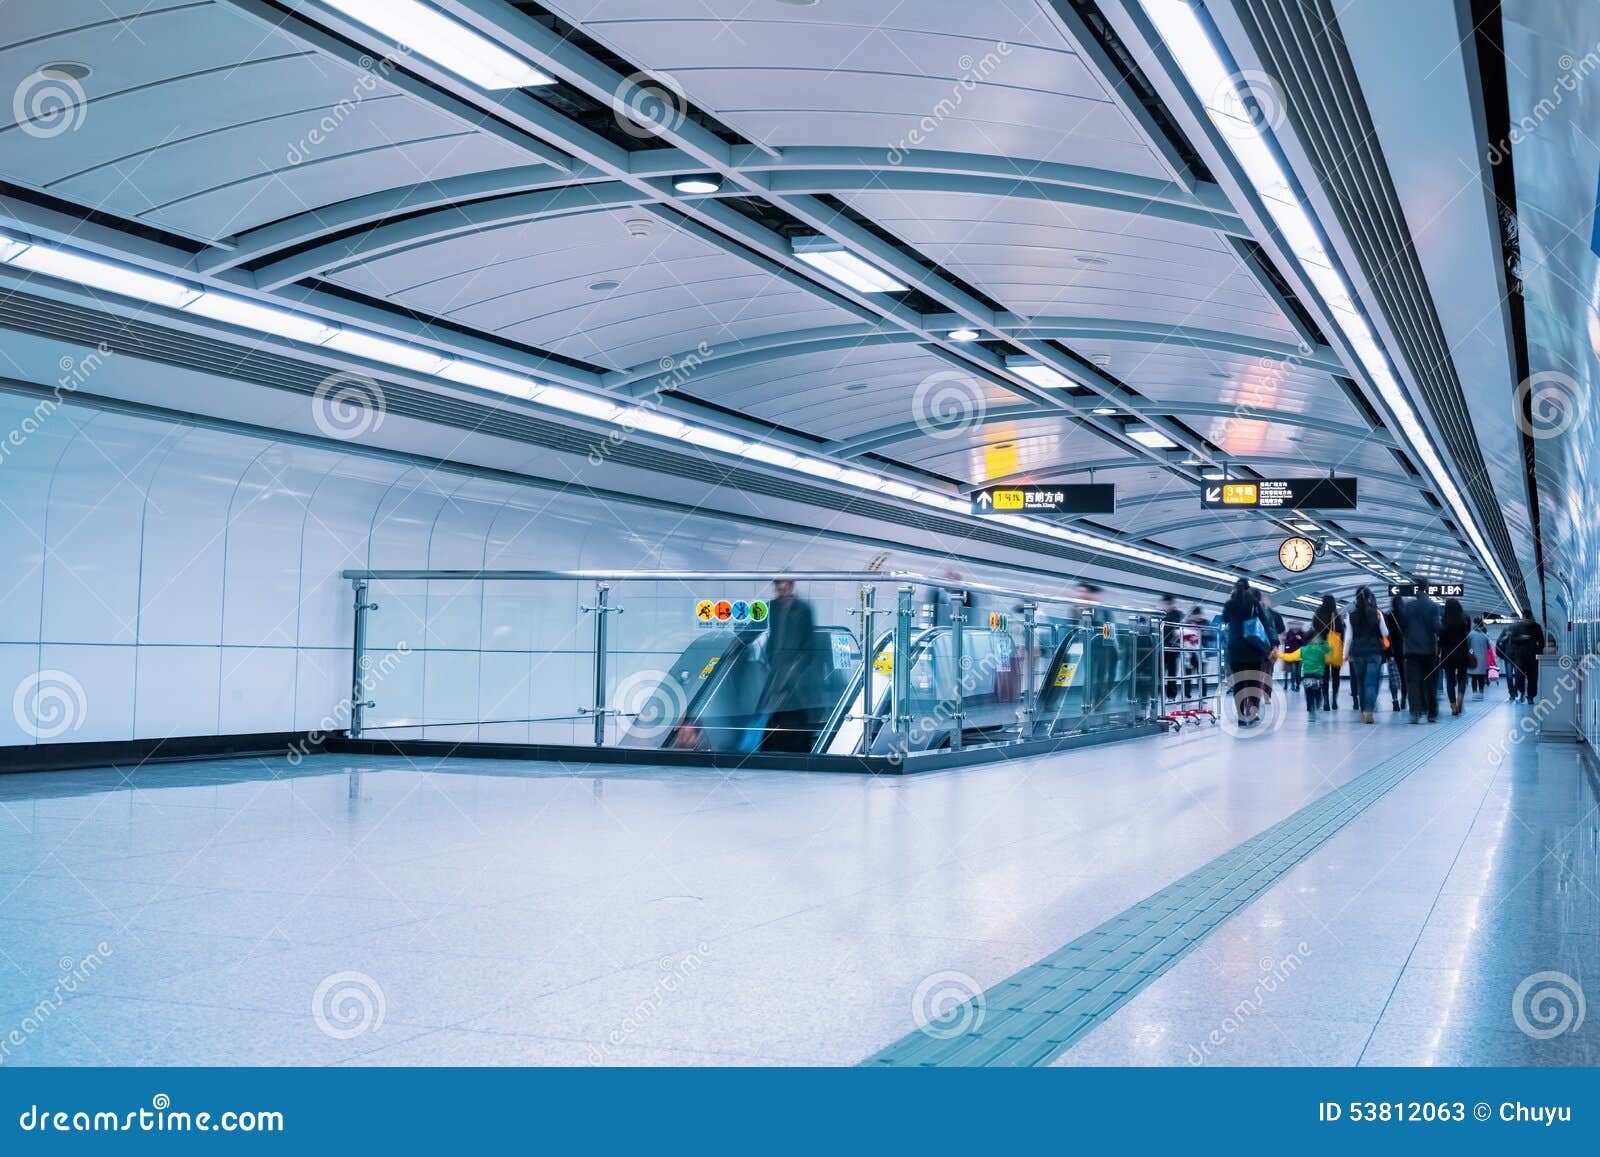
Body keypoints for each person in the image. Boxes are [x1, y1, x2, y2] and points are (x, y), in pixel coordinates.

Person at [759, 578, 826, 751]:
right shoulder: (772, 607)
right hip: (777, 669)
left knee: (793, 712)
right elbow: (764, 631)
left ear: (791, 586)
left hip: (796, 673)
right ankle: (774, 748)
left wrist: (794, 669)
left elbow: (808, 646)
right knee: (777, 710)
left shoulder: (803, 609)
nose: (780, 589)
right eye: (777, 586)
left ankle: (795, 749)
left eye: (784, 585)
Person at [1219, 578, 1277, 725]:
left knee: (1239, 683)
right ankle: (1252, 712)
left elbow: (1224, 619)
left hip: (1236, 649)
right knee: (1254, 682)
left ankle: (1240, 716)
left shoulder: (1230, 604)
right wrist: (1273, 643)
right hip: (1253, 648)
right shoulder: (1254, 603)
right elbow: (1265, 623)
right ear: (1249, 588)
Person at [1345, 586, 1386, 724]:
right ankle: (1369, 710)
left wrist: (1345, 655)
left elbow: (1349, 638)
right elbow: (1385, 633)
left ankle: (1362, 711)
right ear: (1369, 598)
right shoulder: (1377, 613)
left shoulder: (1351, 615)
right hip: (1374, 652)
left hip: (1357, 653)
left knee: (1361, 683)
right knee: (1371, 683)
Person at [1399, 592, 1441, 722]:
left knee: (1413, 683)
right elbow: (1437, 627)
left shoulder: (1408, 606)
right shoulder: (1433, 606)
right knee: (1430, 682)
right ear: (1427, 589)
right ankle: (1432, 713)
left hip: (1411, 651)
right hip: (1428, 651)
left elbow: (1402, 626)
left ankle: (1415, 713)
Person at [1279, 626, 1330, 720]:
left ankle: (1311, 710)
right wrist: (1324, 641)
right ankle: (1317, 707)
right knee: (1318, 694)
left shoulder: (1303, 649)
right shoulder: (1322, 649)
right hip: (1318, 677)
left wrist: (1278, 655)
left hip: (1307, 677)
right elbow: (1329, 649)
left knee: (1309, 695)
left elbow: (1290, 657)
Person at [1497, 609, 1547, 703]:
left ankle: (1529, 696)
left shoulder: (1535, 627)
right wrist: (1524, 639)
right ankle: (1524, 693)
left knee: (1528, 676)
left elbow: (1541, 642)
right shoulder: (1520, 627)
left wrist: (1539, 653)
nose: (1527, 620)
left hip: (1525, 656)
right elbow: (1514, 640)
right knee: (1524, 676)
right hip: (1522, 656)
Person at [1437, 598, 1471, 716]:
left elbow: (1441, 641)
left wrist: (1438, 652)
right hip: (1461, 653)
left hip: (1448, 655)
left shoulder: (1444, 621)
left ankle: (1453, 706)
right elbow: (1466, 639)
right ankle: (1460, 696)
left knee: (1450, 681)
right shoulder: (1464, 620)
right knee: (1462, 678)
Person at [1259, 591, 1286, 701]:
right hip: (1267, 646)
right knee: (1266, 671)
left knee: (1267, 671)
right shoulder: (1260, 613)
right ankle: (1265, 695)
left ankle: (1265, 694)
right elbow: (1281, 631)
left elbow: (1281, 631)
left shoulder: (1274, 615)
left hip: (1269, 647)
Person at [1384, 595, 1408, 712]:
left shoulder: (1388, 616)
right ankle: (1404, 699)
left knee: (1393, 677)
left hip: (1392, 651)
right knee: (1404, 677)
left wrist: (1387, 651)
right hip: (1405, 651)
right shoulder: (1406, 615)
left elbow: (1386, 635)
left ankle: (1395, 701)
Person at [1159, 594, 1183, 700]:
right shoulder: (1161, 614)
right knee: (1160, 672)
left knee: (1172, 673)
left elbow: (1176, 629)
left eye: (1166, 604)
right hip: (1163, 647)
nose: (1165, 606)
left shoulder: (1176, 615)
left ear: (1170, 604)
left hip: (1172, 649)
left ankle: (1171, 695)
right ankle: (1159, 693)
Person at [1466, 616, 1491, 700]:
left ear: (1476, 624)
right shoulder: (1484, 636)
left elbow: (1467, 646)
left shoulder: (1470, 634)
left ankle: (1474, 694)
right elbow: (1488, 647)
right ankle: (1481, 693)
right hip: (1483, 659)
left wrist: (1471, 652)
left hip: (1473, 659)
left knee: (1474, 677)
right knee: (1481, 677)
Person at [1281, 622, 1306, 691]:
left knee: (1298, 672)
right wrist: (1294, 637)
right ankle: (1293, 685)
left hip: (1300, 655)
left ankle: (1297, 685)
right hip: (1292, 655)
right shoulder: (1289, 633)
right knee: (1293, 671)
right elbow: (1286, 642)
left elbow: (1305, 644)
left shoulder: (1302, 633)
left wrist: (1300, 639)